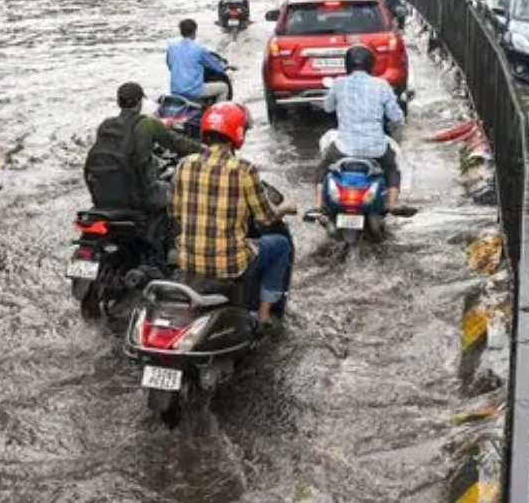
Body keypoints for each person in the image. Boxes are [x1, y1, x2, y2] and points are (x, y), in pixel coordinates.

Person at [170, 103, 296, 330]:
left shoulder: (184, 164)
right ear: (236, 133)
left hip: (188, 260)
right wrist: (286, 208)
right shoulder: (244, 169)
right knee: (281, 245)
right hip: (230, 263)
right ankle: (264, 316)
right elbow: (265, 218)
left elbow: (175, 212)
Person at [83, 83, 202, 261]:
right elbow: (176, 143)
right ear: (139, 103)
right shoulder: (147, 124)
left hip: (103, 197)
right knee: (175, 193)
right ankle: (170, 251)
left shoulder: (106, 126)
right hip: (137, 196)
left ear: (118, 102)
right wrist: (204, 150)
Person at [313, 45, 405, 211]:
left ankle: (318, 206)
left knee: (322, 167)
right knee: (392, 168)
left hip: (344, 149)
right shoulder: (382, 85)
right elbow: (396, 117)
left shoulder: (338, 84)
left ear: (347, 64)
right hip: (376, 149)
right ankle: (392, 203)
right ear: (371, 65)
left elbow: (327, 107)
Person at [167, 18, 230, 102]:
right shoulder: (199, 49)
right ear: (194, 31)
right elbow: (217, 66)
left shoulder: (171, 48)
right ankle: (218, 112)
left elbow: (170, 65)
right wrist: (226, 67)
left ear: (181, 32)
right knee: (224, 88)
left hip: (175, 90)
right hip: (193, 91)